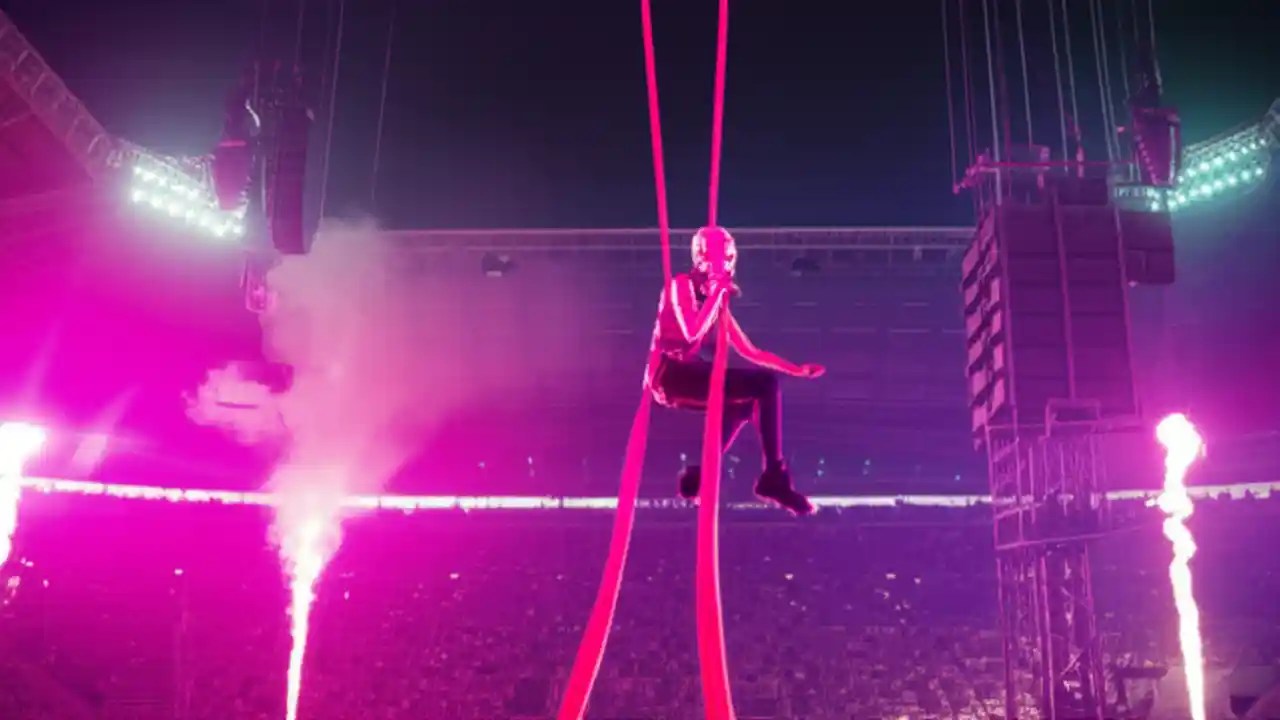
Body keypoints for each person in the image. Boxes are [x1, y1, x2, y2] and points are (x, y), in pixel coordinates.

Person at [645, 226, 824, 516]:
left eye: (727, 259)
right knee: (762, 386)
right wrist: (717, 294)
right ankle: (773, 477)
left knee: (747, 401)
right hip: (669, 375)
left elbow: (749, 350)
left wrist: (796, 369)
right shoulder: (679, 285)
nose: (725, 265)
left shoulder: (715, 300)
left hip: (688, 372)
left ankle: (702, 474)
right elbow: (691, 331)